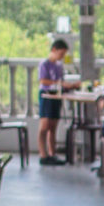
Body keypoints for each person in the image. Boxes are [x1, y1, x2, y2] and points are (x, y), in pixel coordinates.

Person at [37, 36, 70, 166]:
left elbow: (61, 80)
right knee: (44, 125)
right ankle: (43, 154)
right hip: (46, 95)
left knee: (53, 126)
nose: (62, 57)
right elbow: (43, 80)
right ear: (54, 50)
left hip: (57, 95)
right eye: (61, 54)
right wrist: (58, 82)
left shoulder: (59, 66)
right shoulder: (44, 64)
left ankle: (52, 153)